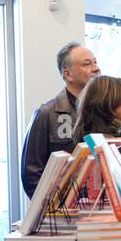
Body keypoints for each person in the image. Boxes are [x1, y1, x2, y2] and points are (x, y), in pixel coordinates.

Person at [20, 42, 100, 197]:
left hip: (103, 211)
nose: (96, 68)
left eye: (95, 62)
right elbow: (31, 174)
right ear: (67, 74)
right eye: (87, 64)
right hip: (63, 214)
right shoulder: (46, 114)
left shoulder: (105, 111)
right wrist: (53, 209)